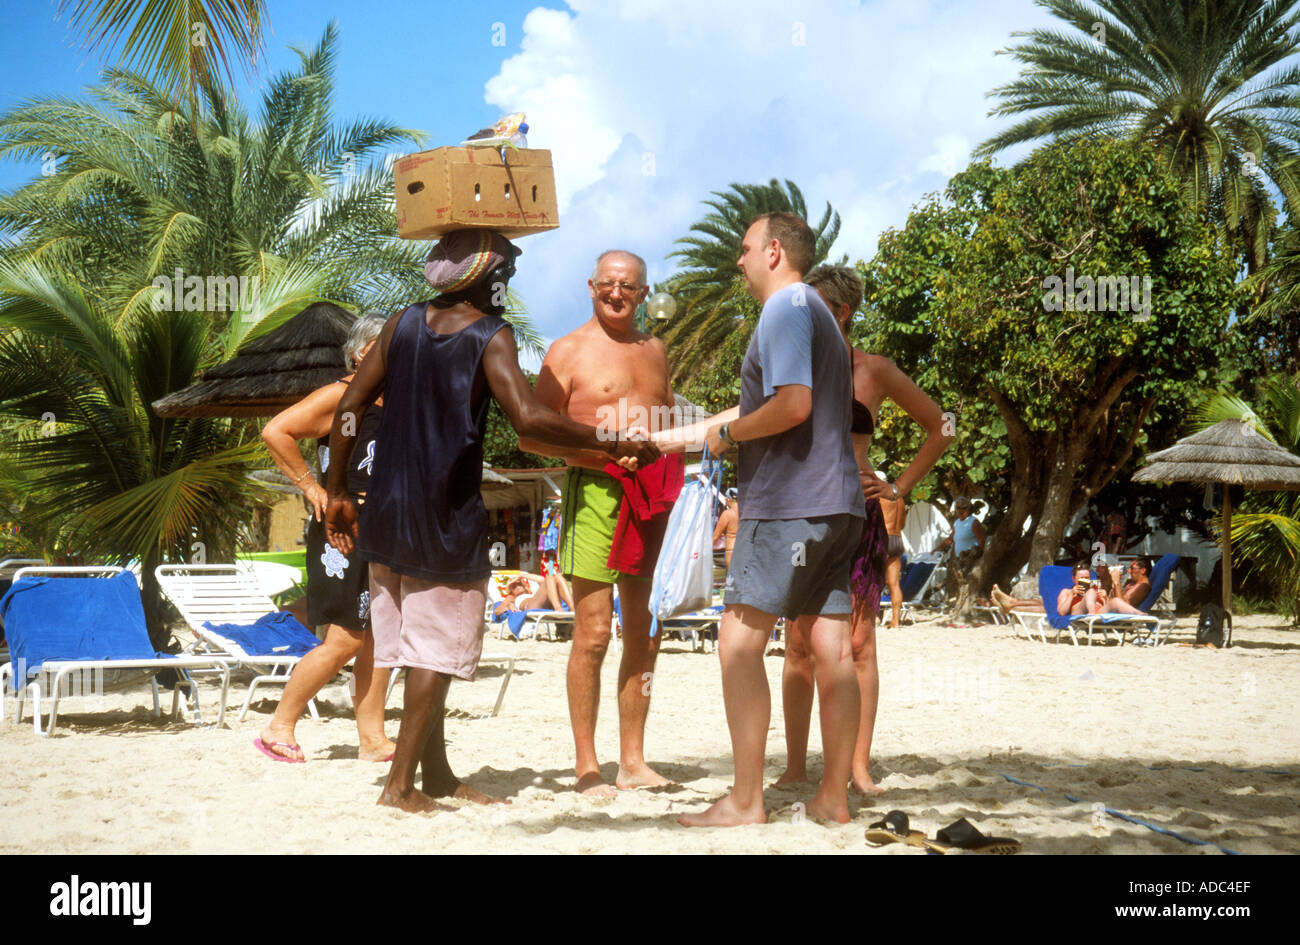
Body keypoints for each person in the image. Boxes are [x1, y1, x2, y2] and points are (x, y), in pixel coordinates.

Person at [324, 230, 658, 813]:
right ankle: (398, 787)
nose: (510, 284)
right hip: (444, 515)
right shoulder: (490, 335)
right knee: (435, 655)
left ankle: (436, 774)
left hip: (388, 511)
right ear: (486, 278)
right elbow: (528, 418)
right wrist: (612, 441)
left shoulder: (401, 324)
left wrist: (335, 491)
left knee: (418, 648)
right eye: (507, 273)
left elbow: (350, 406)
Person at [678, 212, 866, 827]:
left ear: (775, 250)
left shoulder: (785, 307)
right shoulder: (822, 316)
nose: (738, 260)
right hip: (839, 505)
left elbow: (791, 406)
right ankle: (833, 798)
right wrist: (683, 436)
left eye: (745, 248)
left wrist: (731, 435)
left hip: (789, 506)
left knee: (738, 645)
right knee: (833, 650)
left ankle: (744, 800)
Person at [776, 264, 952, 795]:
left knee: (859, 645)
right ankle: (794, 767)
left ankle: (858, 767)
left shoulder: (873, 371)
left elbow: (943, 426)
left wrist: (898, 486)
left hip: (856, 511)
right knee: (798, 645)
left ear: (842, 312)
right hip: (799, 513)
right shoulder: (791, 369)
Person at [517, 249, 682, 797]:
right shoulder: (567, 351)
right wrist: (603, 453)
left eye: (628, 286)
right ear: (591, 287)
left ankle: (632, 761)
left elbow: (664, 420)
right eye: (608, 284)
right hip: (594, 492)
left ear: (643, 293)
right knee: (591, 634)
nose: (617, 293)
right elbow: (532, 436)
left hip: (652, 494)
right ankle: (587, 765)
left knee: (646, 634)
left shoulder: (655, 350)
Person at [255, 313, 392, 763]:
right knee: (346, 639)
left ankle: (373, 739)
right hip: (343, 528)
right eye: (381, 345)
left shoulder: (394, 400)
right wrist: (312, 488)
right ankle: (279, 725)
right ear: (359, 353)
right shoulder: (341, 394)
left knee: (378, 637)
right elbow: (276, 431)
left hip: (383, 526)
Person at [991, 564, 1097, 616]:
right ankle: (1010, 604)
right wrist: (1071, 594)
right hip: (1063, 608)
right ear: (1073, 578)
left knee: (1047, 607)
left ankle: (1010, 604)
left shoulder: (1093, 590)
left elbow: (1062, 612)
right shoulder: (1068, 591)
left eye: (1087, 578)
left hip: (1070, 613)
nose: (1085, 580)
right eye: (1081, 578)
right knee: (1045, 602)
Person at [713, 491, 740, 569]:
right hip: (744, 549)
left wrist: (704, 551)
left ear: (728, 499)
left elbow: (715, 536)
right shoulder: (745, 513)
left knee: (731, 576)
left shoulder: (727, 514)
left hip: (731, 550)